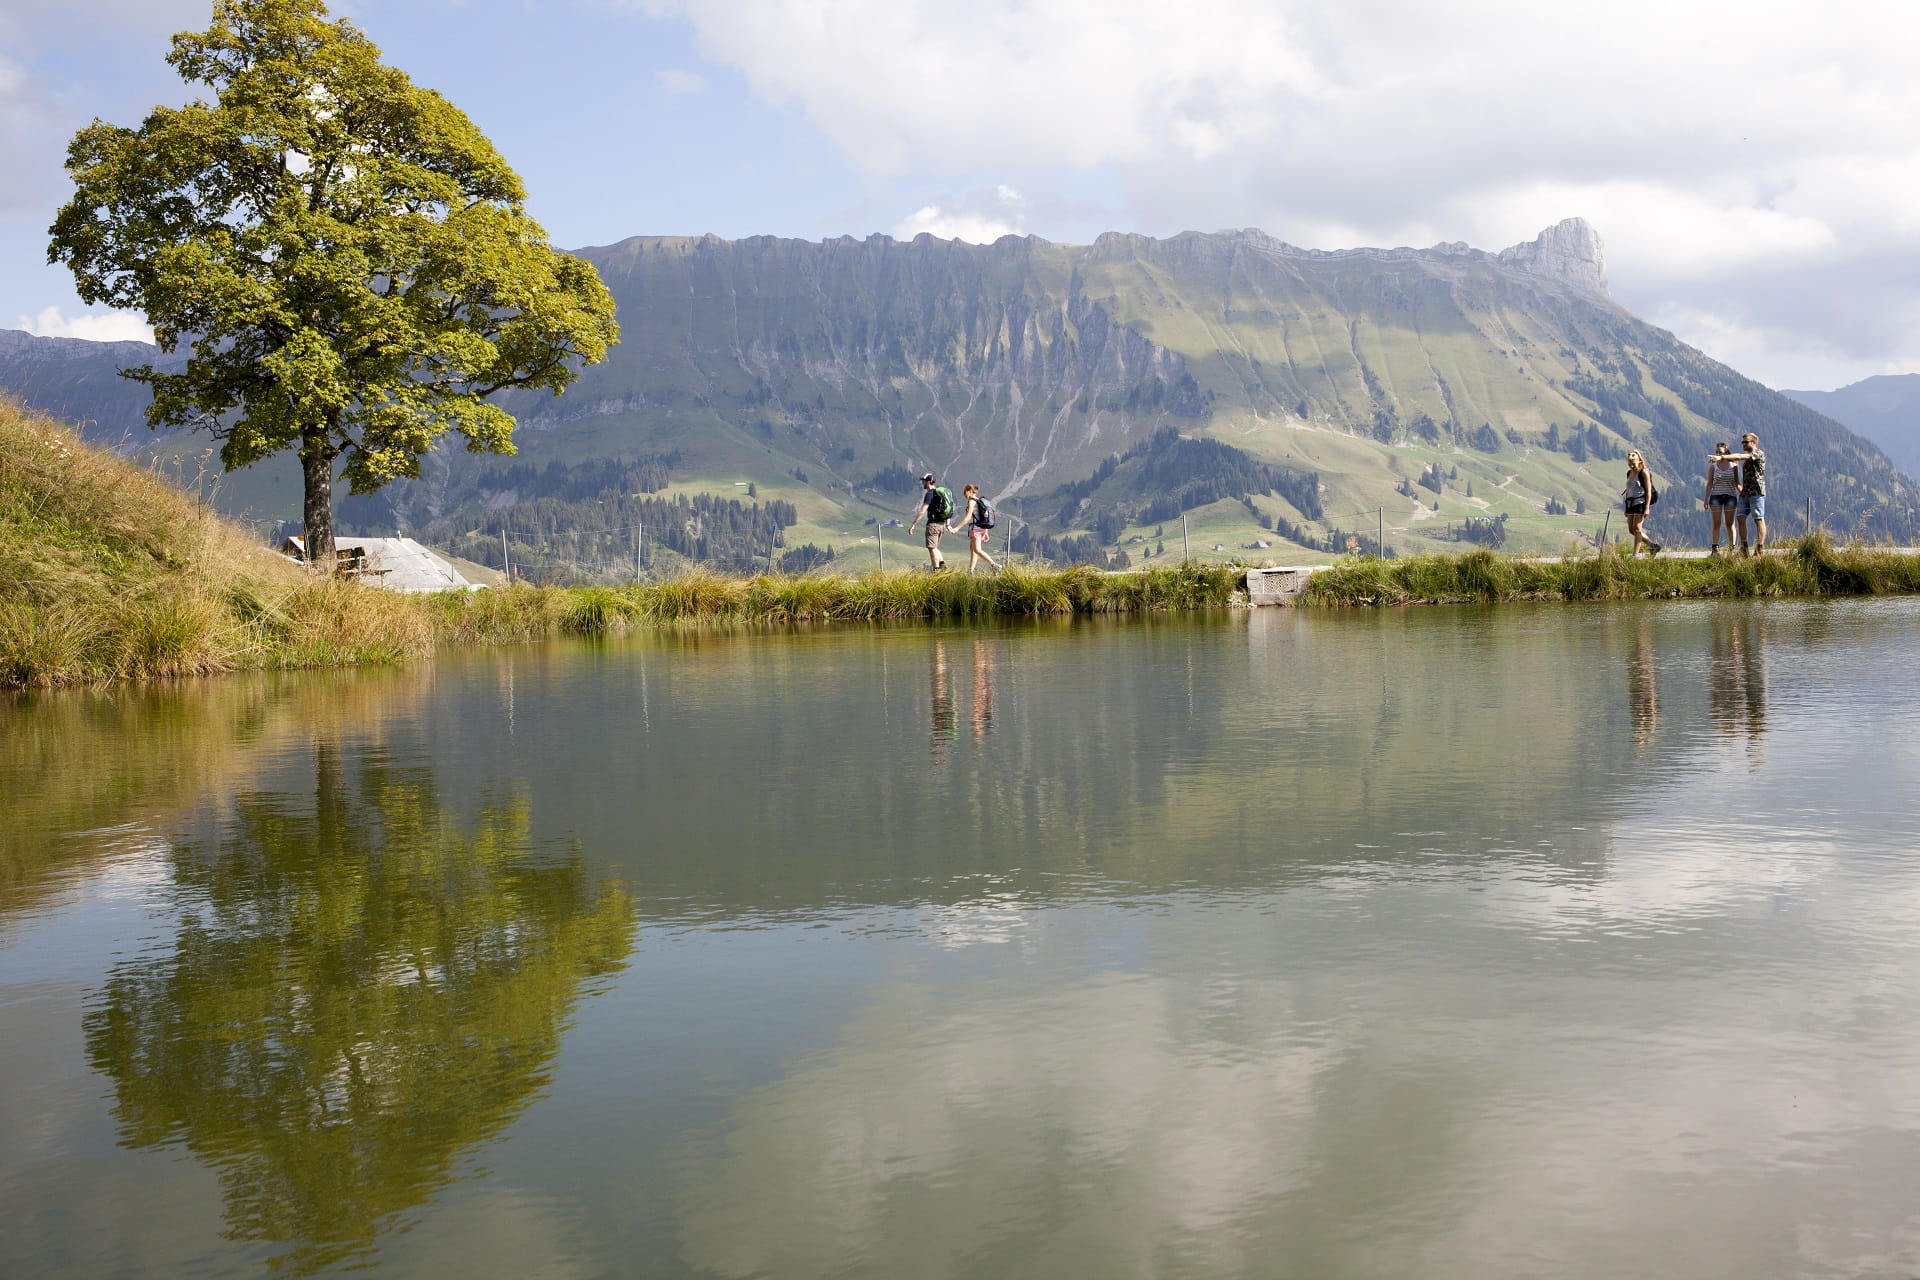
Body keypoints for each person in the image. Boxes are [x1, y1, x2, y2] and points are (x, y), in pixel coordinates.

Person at [1722, 431, 1767, 554]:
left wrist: (1722, 457)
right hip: (1745, 492)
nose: (1743, 444)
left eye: (1746, 442)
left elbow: (1740, 457)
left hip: (1756, 492)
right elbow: (1737, 457)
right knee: (1740, 518)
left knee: (1758, 519)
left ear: (1753, 442)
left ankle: (1759, 549)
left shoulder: (1758, 453)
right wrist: (1727, 454)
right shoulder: (1749, 455)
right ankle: (1744, 547)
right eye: (1742, 442)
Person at [908, 472, 953, 569]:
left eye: (923, 481)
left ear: (928, 482)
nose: (922, 483)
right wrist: (947, 524)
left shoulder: (930, 494)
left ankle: (936, 570)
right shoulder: (940, 493)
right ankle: (942, 566)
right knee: (935, 547)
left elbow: (922, 511)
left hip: (933, 525)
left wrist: (913, 524)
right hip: (941, 525)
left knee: (931, 548)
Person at [1703, 442, 1741, 555]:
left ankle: (1732, 548)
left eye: (1720, 452)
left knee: (1730, 523)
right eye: (1717, 452)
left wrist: (1743, 493)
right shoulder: (1713, 467)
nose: (1718, 454)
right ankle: (1715, 549)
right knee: (1716, 523)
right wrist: (1706, 499)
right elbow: (1709, 484)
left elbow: (1737, 482)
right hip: (1716, 497)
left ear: (1726, 453)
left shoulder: (1734, 466)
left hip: (1730, 496)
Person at [1621, 450, 1661, 557]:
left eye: (1633, 464)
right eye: (1629, 464)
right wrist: (1625, 507)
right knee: (1631, 530)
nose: (1632, 466)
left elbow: (1648, 491)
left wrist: (1647, 507)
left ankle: (1635, 554)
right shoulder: (1629, 473)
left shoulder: (1644, 472)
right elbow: (1628, 490)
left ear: (1639, 461)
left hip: (1640, 503)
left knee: (1637, 529)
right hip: (1630, 503)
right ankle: (1653, 546)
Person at [959, 484, 1002, 574]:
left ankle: (994, 565)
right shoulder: (980, 500)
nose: (964, 495)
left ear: (969, 491)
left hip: (976, 529)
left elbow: (967, 518)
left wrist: (956, 528)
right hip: (981, 528)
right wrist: (986, 532)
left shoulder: (972, 501)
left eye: (964, 493)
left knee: (977, 550)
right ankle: (971, 570)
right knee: (973, 550)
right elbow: (984, 516)